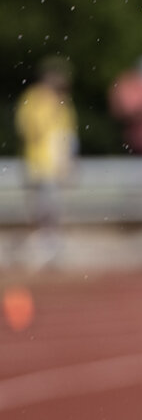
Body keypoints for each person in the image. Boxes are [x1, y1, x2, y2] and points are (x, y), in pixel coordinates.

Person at [14, 56, 79, 268]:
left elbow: (68, 134)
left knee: (56, 208)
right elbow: (29, 128)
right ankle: (42, 246)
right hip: (40, 163)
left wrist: (68, 160)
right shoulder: (35, 99)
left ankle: (52, 246)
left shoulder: (63, 103)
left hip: (57, 165)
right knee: (42, 207)